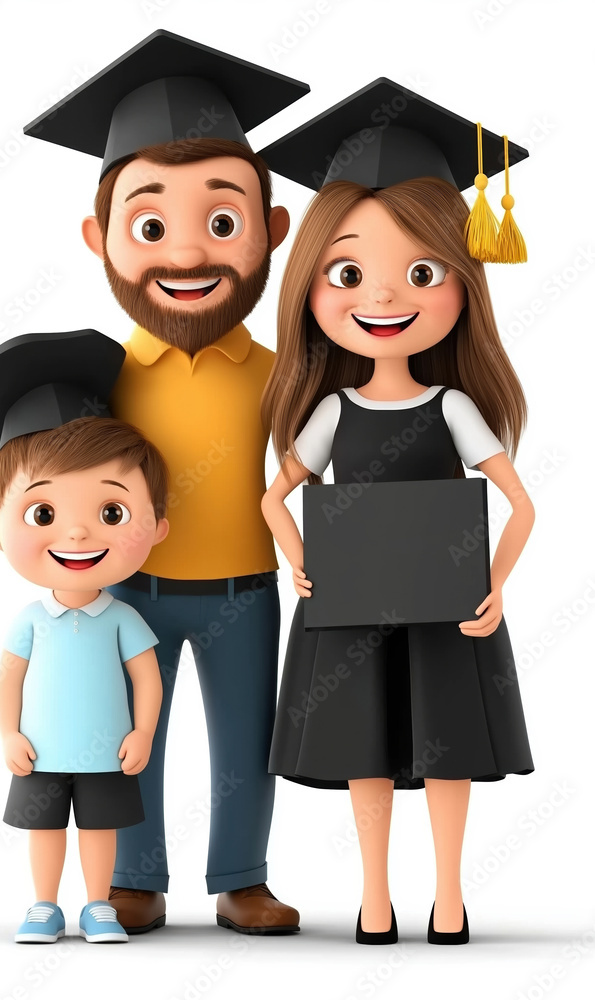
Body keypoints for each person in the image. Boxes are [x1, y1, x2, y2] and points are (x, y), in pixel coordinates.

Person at [23, 31, 307, 933]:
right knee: (128, 738)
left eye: (221, 221)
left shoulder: (278, 372)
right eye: (150, 226)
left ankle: (241, 877)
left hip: (245, 591)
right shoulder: (99, 380)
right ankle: (136, 875)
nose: (186, 254)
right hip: (130, 591)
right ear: (98, 238)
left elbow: (321, 463)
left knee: (245, 747)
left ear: (270, 232)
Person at [259, 80, 535, 945]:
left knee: (445, 748)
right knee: (364, 754)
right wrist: (299, 561)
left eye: (421, 272)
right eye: (347, 272)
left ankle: (447, 895)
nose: (382, 296)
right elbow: (275, 495)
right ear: (311, 283)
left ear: (462, 283)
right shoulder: (333, 412)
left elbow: (519, 505)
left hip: (445, 608)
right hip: (349, 611)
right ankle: (374, 897)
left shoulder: (451, 403)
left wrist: (491, 587)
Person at [0, 331, 169, 944]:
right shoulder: (30, 619)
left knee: (99, 831)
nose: (74, 533)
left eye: (111, 512)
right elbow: (8, 677)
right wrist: (8, 733)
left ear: (158, 526)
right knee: (45, 831)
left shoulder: (122, 616)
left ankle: (98, 904)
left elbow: (148, 674)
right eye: (42, 513)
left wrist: (143, 731)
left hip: (105, 753)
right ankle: (44, 905)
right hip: (41, 750)